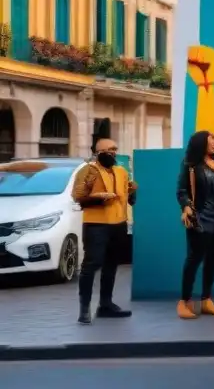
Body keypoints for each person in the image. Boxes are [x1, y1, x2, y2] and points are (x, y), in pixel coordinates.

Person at [72, 137, 136, 324]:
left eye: (115, 149)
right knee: (91, 265)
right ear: (98, 153)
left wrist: (133, 193)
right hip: (96, 225)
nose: (113, 153)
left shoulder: (121, 171)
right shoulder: (88, 171)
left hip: (119, 224)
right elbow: (78, 196)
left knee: (112, 264)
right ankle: (84, 309)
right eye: (108, 150)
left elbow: (127, 196)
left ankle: (105, 305)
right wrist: (99, 198)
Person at [176, 130, 214, 319]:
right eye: (211, 139)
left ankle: (206, 300)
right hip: (200, 218)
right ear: (200, 142)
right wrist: (186, 206)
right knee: (194, 260)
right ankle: (184, 301)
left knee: (213, 260)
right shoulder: (190, 165)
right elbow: (181, 190)